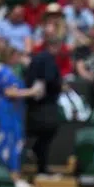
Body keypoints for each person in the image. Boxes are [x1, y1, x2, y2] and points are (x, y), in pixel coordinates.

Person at [0, 44, 42, 180]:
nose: (19, 59)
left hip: (8, 110)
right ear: (10, 56)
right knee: (7, 141)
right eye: (17, 56)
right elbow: (9, 92)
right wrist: (33, 91)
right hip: (4, 112)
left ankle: (10, 176)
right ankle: (10, 177)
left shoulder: (4, 70)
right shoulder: (5, 72)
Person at [25, 22, 63, 176]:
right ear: (54, 46)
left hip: (36, 104)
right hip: (44, 104)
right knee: (48, 132)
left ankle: (41, 166)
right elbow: (45, 80)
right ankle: (39, 162)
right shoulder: (47, 59)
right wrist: (59, 85)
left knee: (43, 135)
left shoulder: (38, 57)